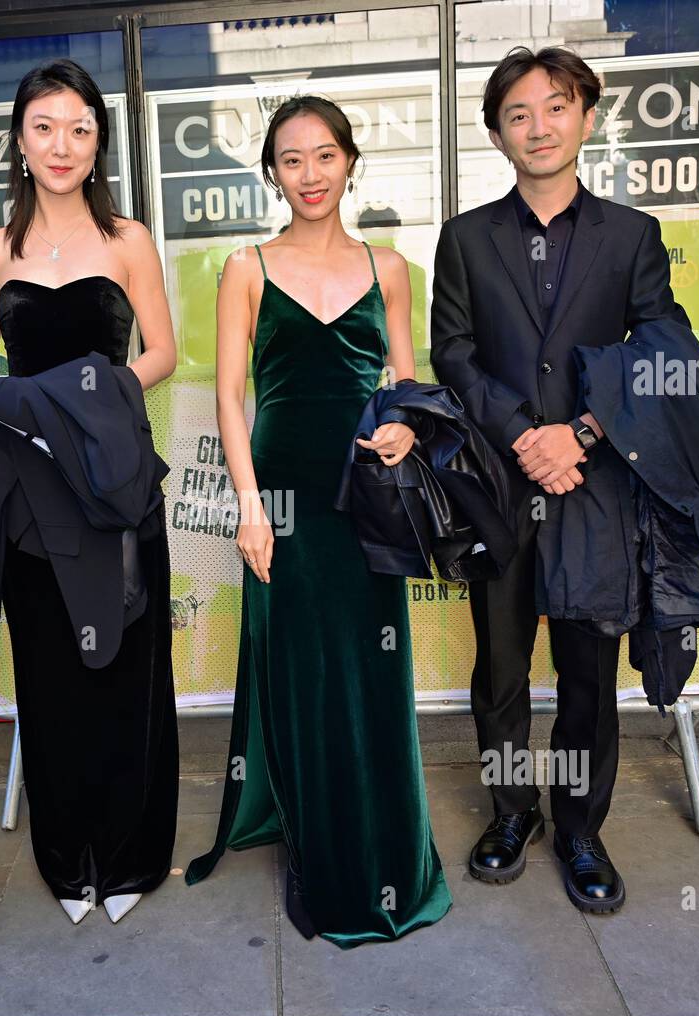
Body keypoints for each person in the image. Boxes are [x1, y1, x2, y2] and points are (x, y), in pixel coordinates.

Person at [431, 45, 694, 913]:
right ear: (497, 132)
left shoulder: (632, 236)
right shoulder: (465, 237)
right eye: (518, 113)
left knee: (587, 665)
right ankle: (514, 814)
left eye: (554, 107)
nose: (537, 127)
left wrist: (581, 430)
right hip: (499, 485)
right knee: (502, 664)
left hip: (594, 485)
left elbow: (660, 349)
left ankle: (581, 824)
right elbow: (454, 353)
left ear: (586, 115)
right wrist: (521, 434)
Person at [185, 95, 452, 947]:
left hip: (366, 500)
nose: (309, 174)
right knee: (303, 674)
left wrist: (407, 426)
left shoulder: (394, 268)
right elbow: (231, 395)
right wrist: (250, 508)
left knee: (375, 675)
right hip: (286, 500)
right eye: (291, 159)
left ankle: (387, 847)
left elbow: (408, 385)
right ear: (272, 172)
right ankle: (321, 847)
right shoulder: (247, 268)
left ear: (348, 163)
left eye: (324, 155)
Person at [0, 59, 179, 927]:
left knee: (130, 679)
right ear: (19, 139)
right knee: (51, 684)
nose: (63, 144)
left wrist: (90, 406)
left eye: (81, 128)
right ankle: (66, 862)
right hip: (31, 506)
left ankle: (130, 858)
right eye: (45, 126)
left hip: (116, 486)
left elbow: (163, 350)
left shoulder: (128, 240)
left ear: (100, 144)